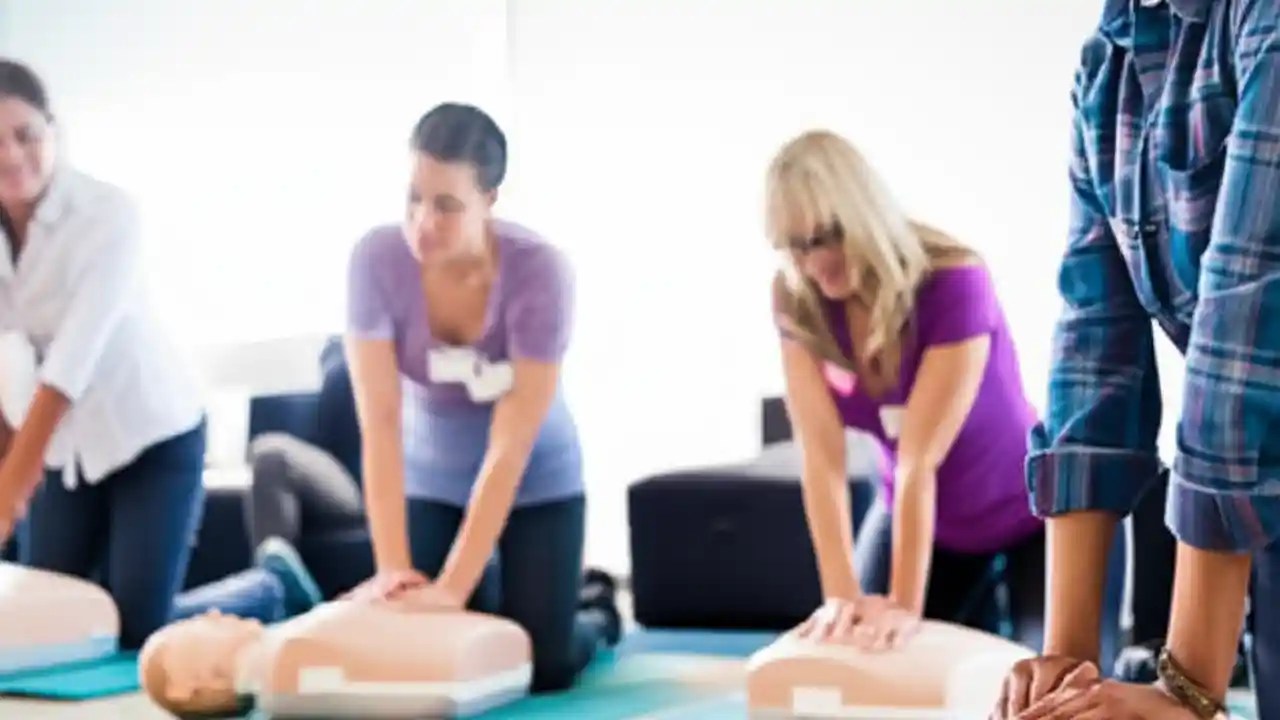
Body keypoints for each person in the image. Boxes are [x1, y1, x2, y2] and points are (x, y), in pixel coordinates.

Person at [992, 1, 1280, 718]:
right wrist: (1066, 671)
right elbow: (1092, 354)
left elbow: (1243, 336)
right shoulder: (1108, 66)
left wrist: (1187, 690)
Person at [344, 101, 620, 693]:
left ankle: (596, 607)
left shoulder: (541, 271)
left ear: (490, 199)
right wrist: (394, 570)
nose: (422, 222)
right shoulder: (374, 260)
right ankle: (491, 588)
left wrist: (450, 588)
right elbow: (381, 423)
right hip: (431, 481)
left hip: (536, 480)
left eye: (447, 205)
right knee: (430, 644)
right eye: (413, 197)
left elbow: (511, 444)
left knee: (540, 665)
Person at [767, 129, 1045, 652]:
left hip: (1030, 512)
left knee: (1062, 690)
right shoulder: (796, 298)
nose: (814, 263)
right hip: (929, 524)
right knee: (862, 654)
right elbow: (822, 461)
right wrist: (841, 600)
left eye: (827, 236)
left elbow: (920, 458)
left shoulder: (955, 279)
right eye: (797, 247)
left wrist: (904, 610)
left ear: (863, 212)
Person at [0, 58, 207, 650]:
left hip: (152, 433)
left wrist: (12, 485)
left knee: (135, 628)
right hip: (69, 449)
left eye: (25, 135)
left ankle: (266, 591)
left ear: (53, 131)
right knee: (51, 623)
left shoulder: (109, 215)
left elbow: (71, 361)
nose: (11, 156)